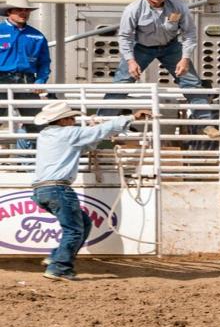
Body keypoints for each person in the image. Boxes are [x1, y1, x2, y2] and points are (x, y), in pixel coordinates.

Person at [31, 101, 151, 280]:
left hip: (42, 190)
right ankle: (59, 267)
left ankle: (57, 258)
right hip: (58, 188)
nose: (73, 121)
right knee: (74, 229)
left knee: (82, 224)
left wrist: (94, 133)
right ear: (62, 121)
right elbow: (99, 131)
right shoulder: (69, 133)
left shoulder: (46, 135)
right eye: (71, 118)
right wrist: (132, 117)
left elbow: (84, 144)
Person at [109, 0, 213, 119]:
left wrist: (185, 58)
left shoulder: (178, 6)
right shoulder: (133, 9)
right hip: (142, 48)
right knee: (122, 83)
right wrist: (130, 61)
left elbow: (189, 33)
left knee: (191, 82)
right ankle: (102, 122)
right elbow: (125, 36)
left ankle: (205, 123)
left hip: (171, 47)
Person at [0, 0, 52, 149]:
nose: (24, 13)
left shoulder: (37, 36)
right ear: (9, 12)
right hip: (1, 79)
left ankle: (39, 156)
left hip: (26, 80)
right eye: (19, 10)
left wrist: (40, 80)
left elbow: (44, 62)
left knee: (37, 122)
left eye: (26, 10)